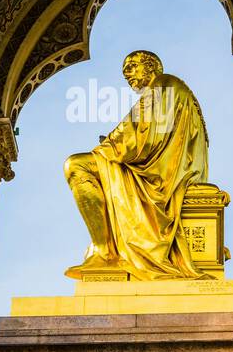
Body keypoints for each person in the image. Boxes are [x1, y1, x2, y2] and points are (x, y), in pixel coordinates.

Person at [64, 50, 209, 279]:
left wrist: (108, 148)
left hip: (157, 177)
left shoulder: (164, 84)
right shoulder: (169, 88)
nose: (127, 73)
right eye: (125, 71)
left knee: (76, 165)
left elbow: (144, 138)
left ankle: (104, 253)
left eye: (132, 66)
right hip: (157, 170)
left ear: (152, 66)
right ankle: (105, 252)